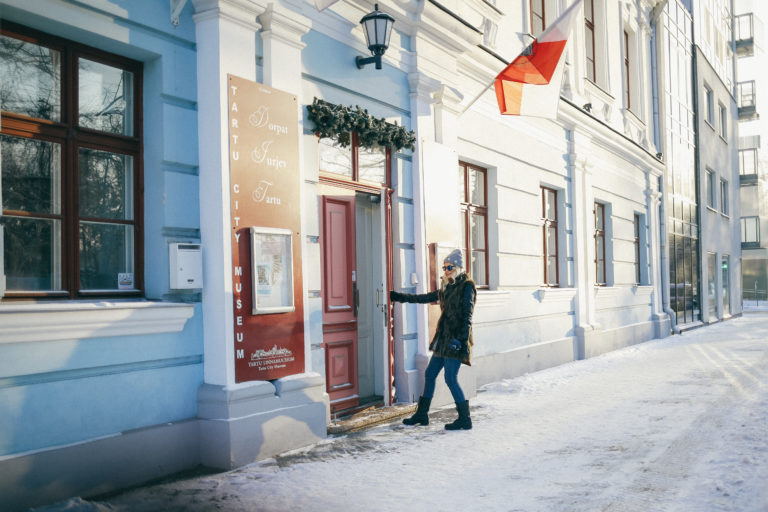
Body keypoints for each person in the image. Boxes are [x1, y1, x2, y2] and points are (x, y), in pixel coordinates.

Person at [389, 249, 476, 430]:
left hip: (455, 340)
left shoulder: (467, 286)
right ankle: (422, 414)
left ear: (458, 268)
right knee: (429, 375)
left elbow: (467, 316)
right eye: (444, 267)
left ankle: (464, 419)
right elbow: (426, 297)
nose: (446, 270)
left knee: (450, 378)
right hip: (443, 340)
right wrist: (400, 297)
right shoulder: (447, 286)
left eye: (450, 267)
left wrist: (461, 341)